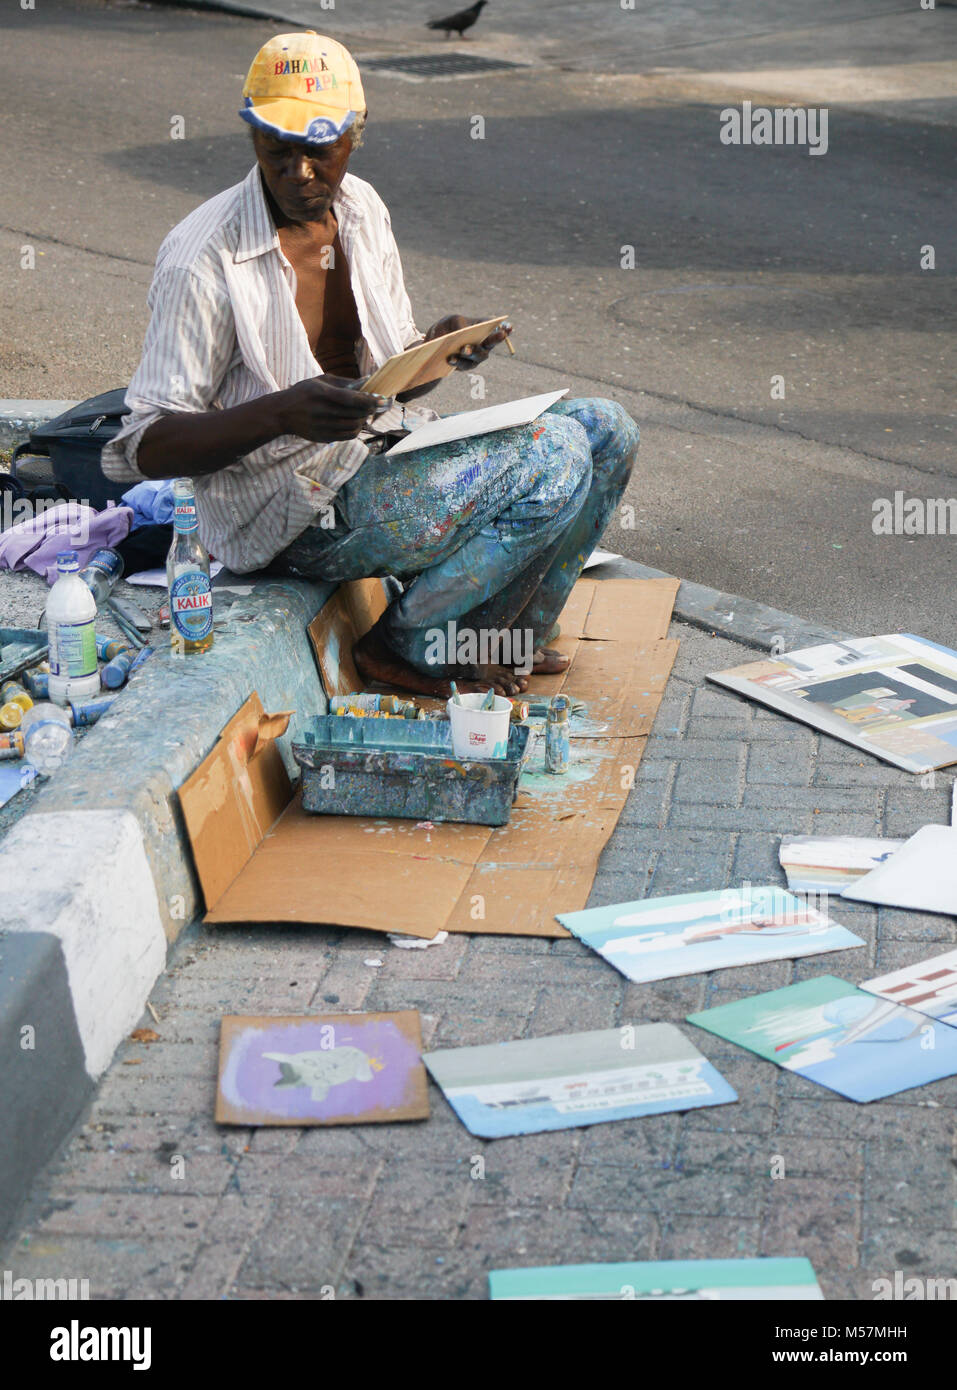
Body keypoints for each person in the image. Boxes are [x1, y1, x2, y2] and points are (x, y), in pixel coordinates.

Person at [102, 31, 639, 697]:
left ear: (355, 133)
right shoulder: (202, 258)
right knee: (555, 452)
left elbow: (387, 383)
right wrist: (281, 412)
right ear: (252, 138)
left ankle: (496, 637)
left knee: (607, 428)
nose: (299, 172)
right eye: (278, 150)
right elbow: (141, 449)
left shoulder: (362, 209)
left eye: (318, 150)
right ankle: (403, 646)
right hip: (289, 512)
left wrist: (440, 350)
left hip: (376, 454)